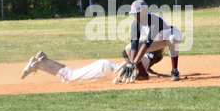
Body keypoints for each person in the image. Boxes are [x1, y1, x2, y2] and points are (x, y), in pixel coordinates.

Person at [116, 0, 182, 83]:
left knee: (173, 39)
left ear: (145, 11)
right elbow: (134, 45)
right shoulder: (135, 24)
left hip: (170, 35)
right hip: (157, 40)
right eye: (134, 13)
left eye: (138, 13)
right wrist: (131, 63)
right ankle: (143, 74)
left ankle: (174, 71)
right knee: (128, 48)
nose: (136, 15)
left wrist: (134, 62)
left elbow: (147, 43)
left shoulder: (154, 20)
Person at [21, 48, 164, 83]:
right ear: (156, 58)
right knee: (70, 78)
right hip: (104, 71)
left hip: (105, 65)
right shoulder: (144, 61)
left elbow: (131, 58)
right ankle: (37, 65)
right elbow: (126, 54)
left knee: (71, 73)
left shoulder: (143, 58)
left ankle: (45, 60)